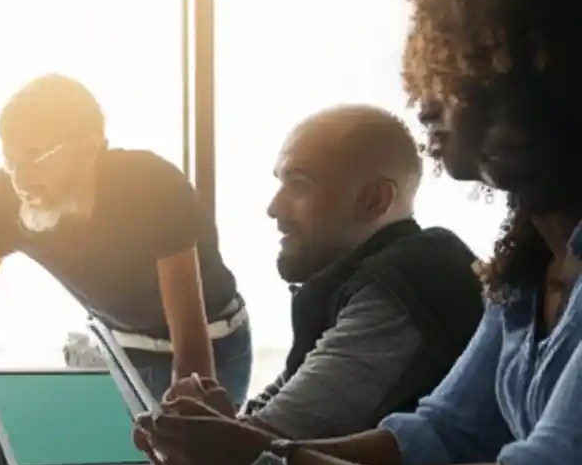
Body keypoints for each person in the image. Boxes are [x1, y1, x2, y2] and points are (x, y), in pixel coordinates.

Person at [136, 0, 582, 465]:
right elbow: (441, 436)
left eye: (465, 64)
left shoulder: (407, 279)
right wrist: (247, 455)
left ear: (550, 77)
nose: (424, 99)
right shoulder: (527, 269)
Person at [0, 74, 251, 436]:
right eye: (10, 159)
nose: (20, 177)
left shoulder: (152, 185)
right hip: (119, 352)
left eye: (36, 155)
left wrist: (193, 423)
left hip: (212, 344)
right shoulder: (5, 197)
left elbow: (188, 328)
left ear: (89, 147)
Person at [166, 105, 483, 439]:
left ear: (375, 200)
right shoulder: (357, 284)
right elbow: (261, 423)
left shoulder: (405, 287)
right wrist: (215, 426)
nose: (274, 207)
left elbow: (264, 444)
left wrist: (209, 435)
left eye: (299, 185)